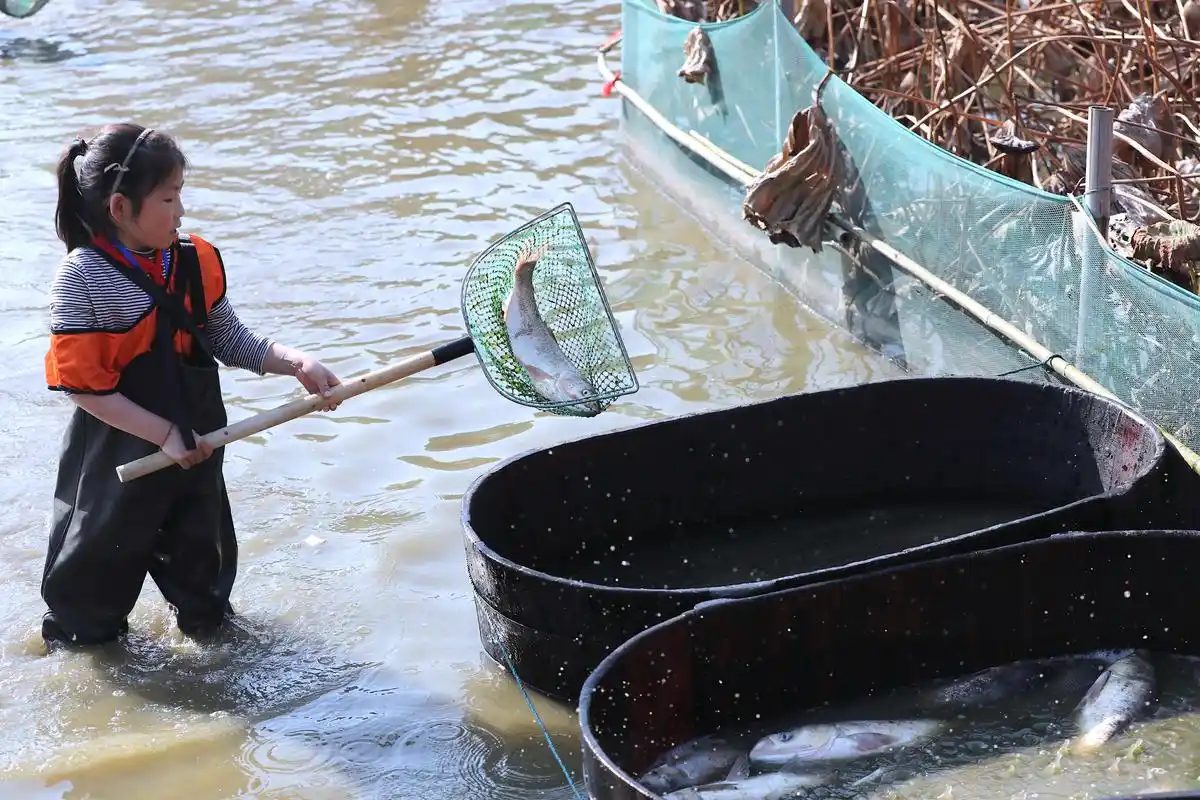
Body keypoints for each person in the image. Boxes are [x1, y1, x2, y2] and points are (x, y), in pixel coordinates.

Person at [41, 122, 342, 647]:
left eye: (181, 196)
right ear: (120, 209)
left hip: (198, 447)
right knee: (88, 609)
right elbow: (84, 389)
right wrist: (160, 433)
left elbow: (227, 337)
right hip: (119, 458)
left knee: (206, 590)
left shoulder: (192, 260)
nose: (181, 212)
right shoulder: (83, 278)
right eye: (169, 198)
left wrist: (295, 362)